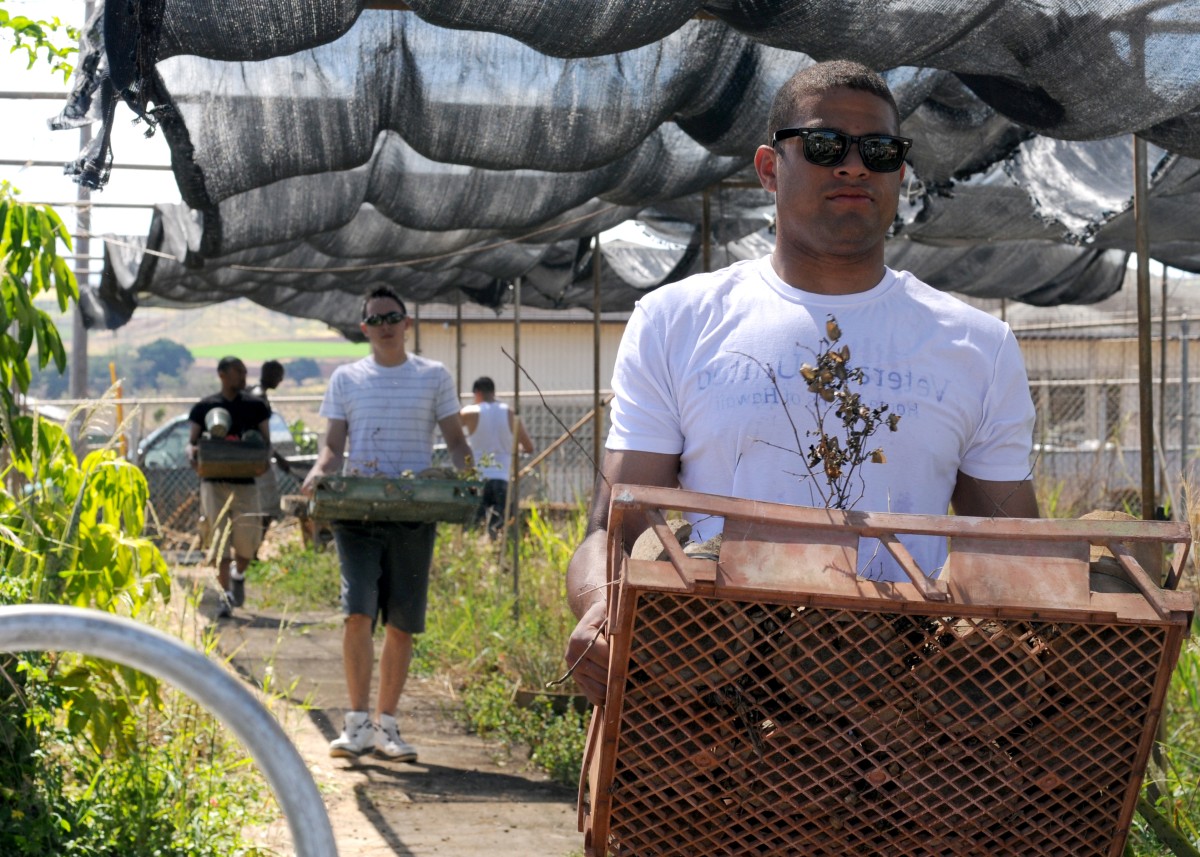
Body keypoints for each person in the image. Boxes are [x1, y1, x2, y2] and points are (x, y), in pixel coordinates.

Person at [564, 60, 1039, 707]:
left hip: (903, 714)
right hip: (715, 688)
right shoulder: (677, 321)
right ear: (768, 167)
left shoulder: (976, 346)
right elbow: (613, 532)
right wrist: (600, 610)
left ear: (900, 173)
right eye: (823, 146)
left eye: (878, 151)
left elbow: (1015, 552)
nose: (852, 166)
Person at [301, 286, 472, 762]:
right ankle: (355, 724)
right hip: (359, 508)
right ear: (364, 329)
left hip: (414, 512)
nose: (385, 324)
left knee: (401, 622)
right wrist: (319, 473)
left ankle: (387, 727)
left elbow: (455, 441)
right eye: (376, 319)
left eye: (393, 316)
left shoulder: (434, 376)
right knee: (357, 610)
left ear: (407, 322)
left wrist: (470, 477)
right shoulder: (347, 379)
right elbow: (333, 448)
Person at [187, 356, 272, 618]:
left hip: (246, 483)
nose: (243, 376)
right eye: (238, 371)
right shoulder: (205, 407)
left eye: (245, 372)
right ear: (222, 374)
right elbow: (192, 442)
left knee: (249, 541)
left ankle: (238, 574)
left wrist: (263, 459)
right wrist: (193, 455)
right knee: (219, 542)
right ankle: (225, 597)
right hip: (214, 483)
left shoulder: (256, 407)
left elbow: (266, 443)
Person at [459, 376, 535, 539]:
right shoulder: (509, 413)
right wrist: (512, 449)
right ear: (493, 392)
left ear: (477, 393)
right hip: (502, 479)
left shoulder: (471, 412)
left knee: (472, 531)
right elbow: (529, 447)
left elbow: (452, 431)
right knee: (500, 532)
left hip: (478, 479)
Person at [248, 359, 287, 543]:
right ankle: (253, 548)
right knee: (269, 507)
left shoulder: (253, 393)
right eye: (279, 376)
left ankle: (252, 548)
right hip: (258, 460)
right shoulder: (258, 397)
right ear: (270, 374)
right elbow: (261, 437)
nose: (281, 380)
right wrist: (277, 458)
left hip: (255, 458)